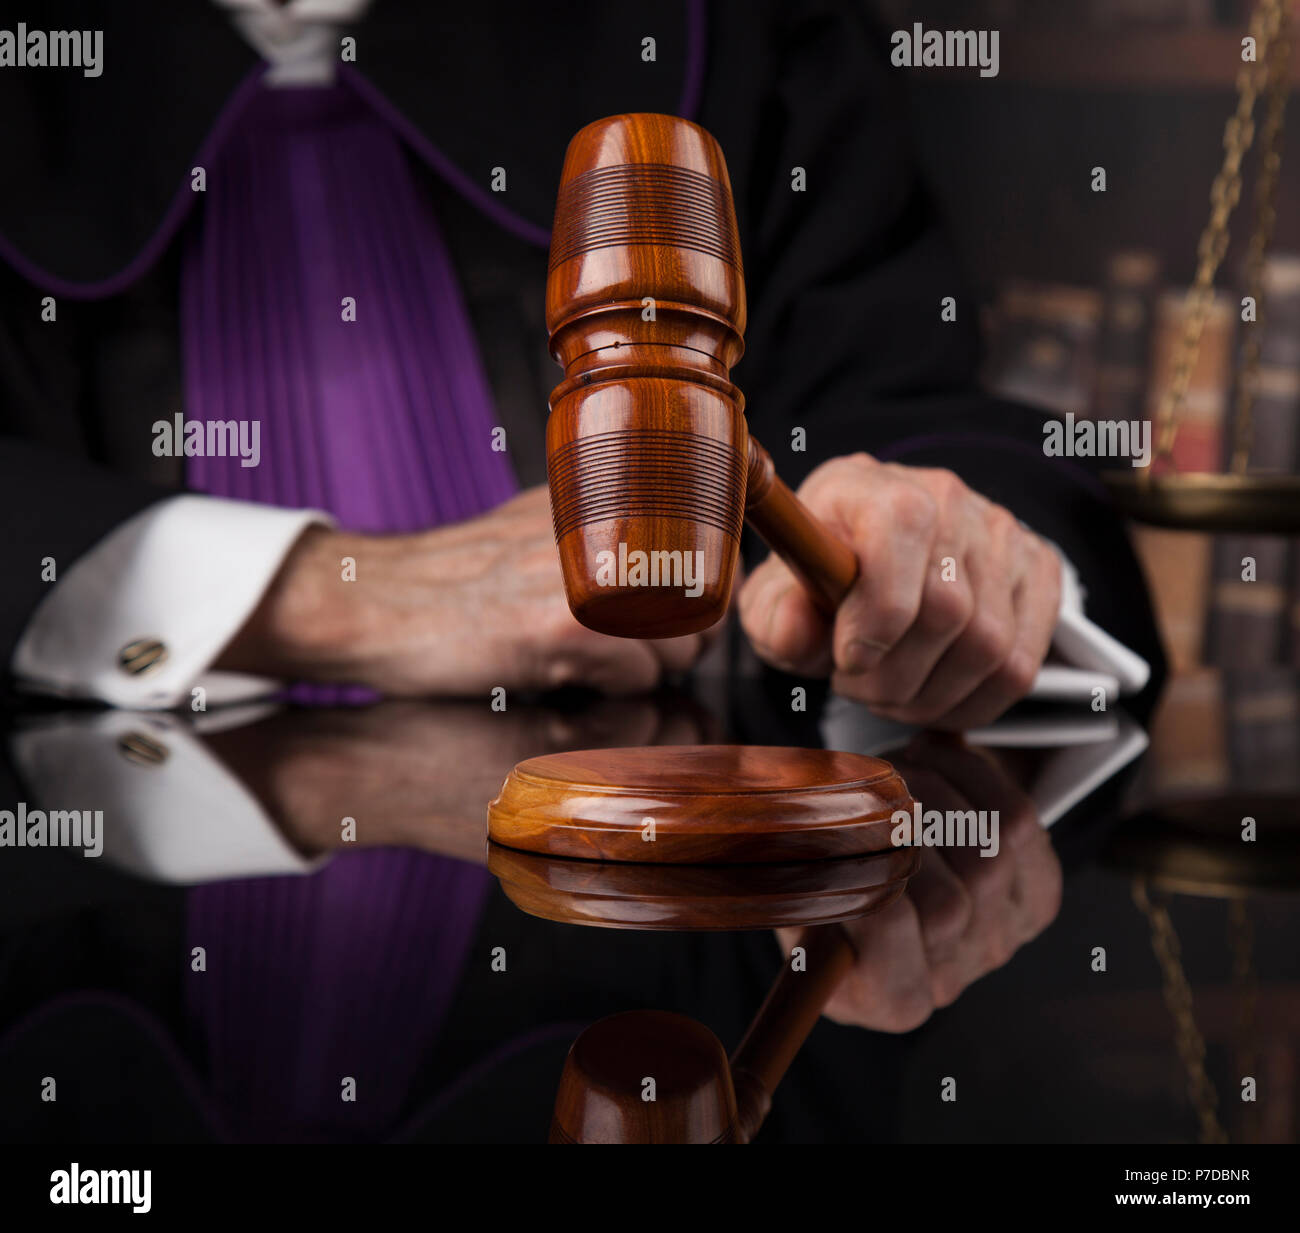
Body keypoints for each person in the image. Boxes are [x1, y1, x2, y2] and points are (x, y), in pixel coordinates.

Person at [0, 0, 1162, 726]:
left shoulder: (743, 29)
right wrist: (327, 598)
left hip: (653, 964)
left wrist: (948, 565)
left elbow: (909, 405)